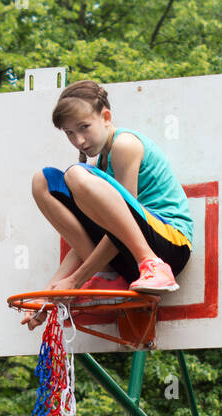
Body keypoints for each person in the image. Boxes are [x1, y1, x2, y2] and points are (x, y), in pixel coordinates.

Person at [23, 80, 193, 327]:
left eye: (84, 127)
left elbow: (123, 223)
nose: (79, 140)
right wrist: (49, 293)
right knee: (43, 181)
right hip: (126, 253)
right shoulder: (99, 165)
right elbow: (107, 234)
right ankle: (107, 275)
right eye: (70, 133)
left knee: (75, 175)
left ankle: (152, 265)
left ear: (105, 116)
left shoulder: (125, 145)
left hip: (169, 246)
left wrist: (77, 280)